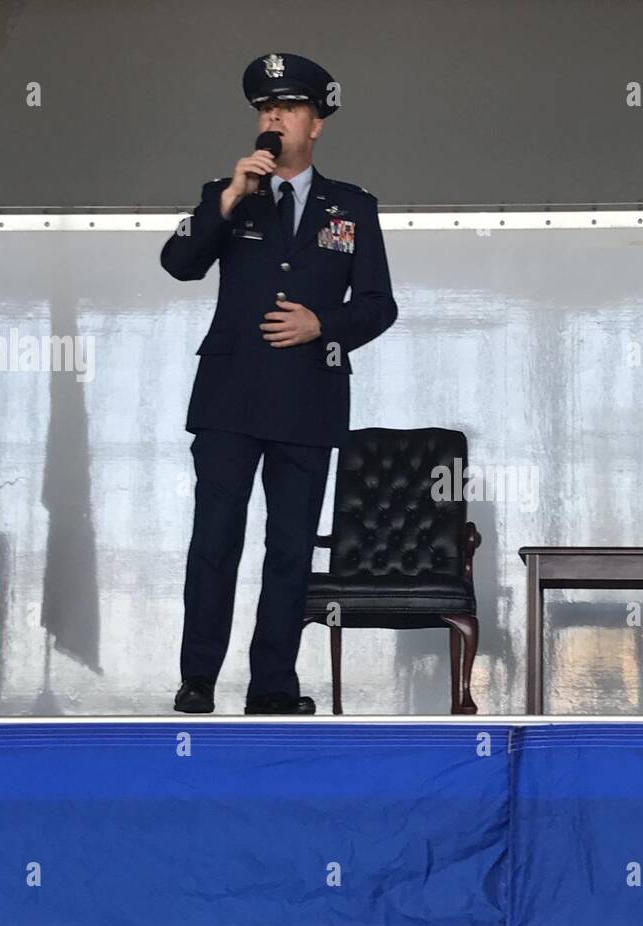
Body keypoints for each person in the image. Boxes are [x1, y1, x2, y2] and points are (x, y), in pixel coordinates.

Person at [161, 53, 397, 715]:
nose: (275, 119)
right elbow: (178, 259)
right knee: (214, 541)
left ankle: (272, 685)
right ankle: (197, 678)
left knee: (289, 547)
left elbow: (380, 304)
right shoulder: (227, 195)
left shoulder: (351, 206)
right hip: (228, 399)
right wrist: (230, 195)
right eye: (267, 109)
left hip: (307, 400)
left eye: (289, 108)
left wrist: (323, 323)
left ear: (316, 123)